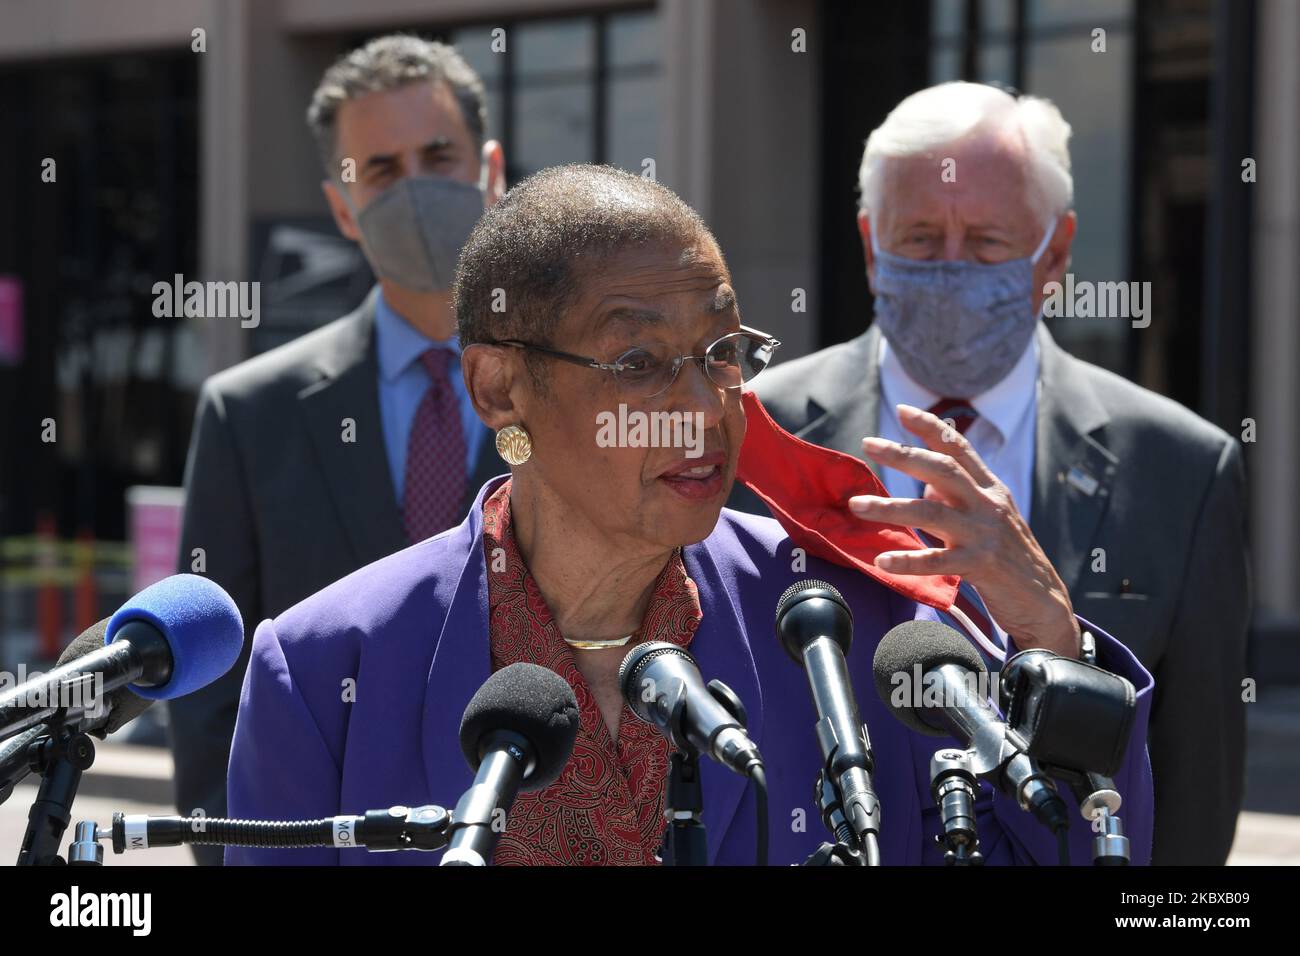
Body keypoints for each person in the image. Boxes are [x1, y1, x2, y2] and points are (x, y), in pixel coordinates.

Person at [225, 164, 1154, 866]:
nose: (705, 407)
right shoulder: (325, 670)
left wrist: (1053, 644)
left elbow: (1064, 852)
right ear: (500, 387)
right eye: (638, 363)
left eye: (721, 350)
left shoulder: (848, 627)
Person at [731, 82, 1249, 865]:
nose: (950, 268)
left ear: (1057, 253)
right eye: (919, 239)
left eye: (985, 243)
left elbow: (1193, 795)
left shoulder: (1180, 467)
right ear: (871, 247)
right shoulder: (752, 433)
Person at [168, 36, 507, 863]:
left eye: (439, 157)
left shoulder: (579, 391)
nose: (415, 187)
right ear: (343, 207)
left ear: (492, 172)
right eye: (382, 171)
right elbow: (210, 688)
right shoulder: (251, 413)